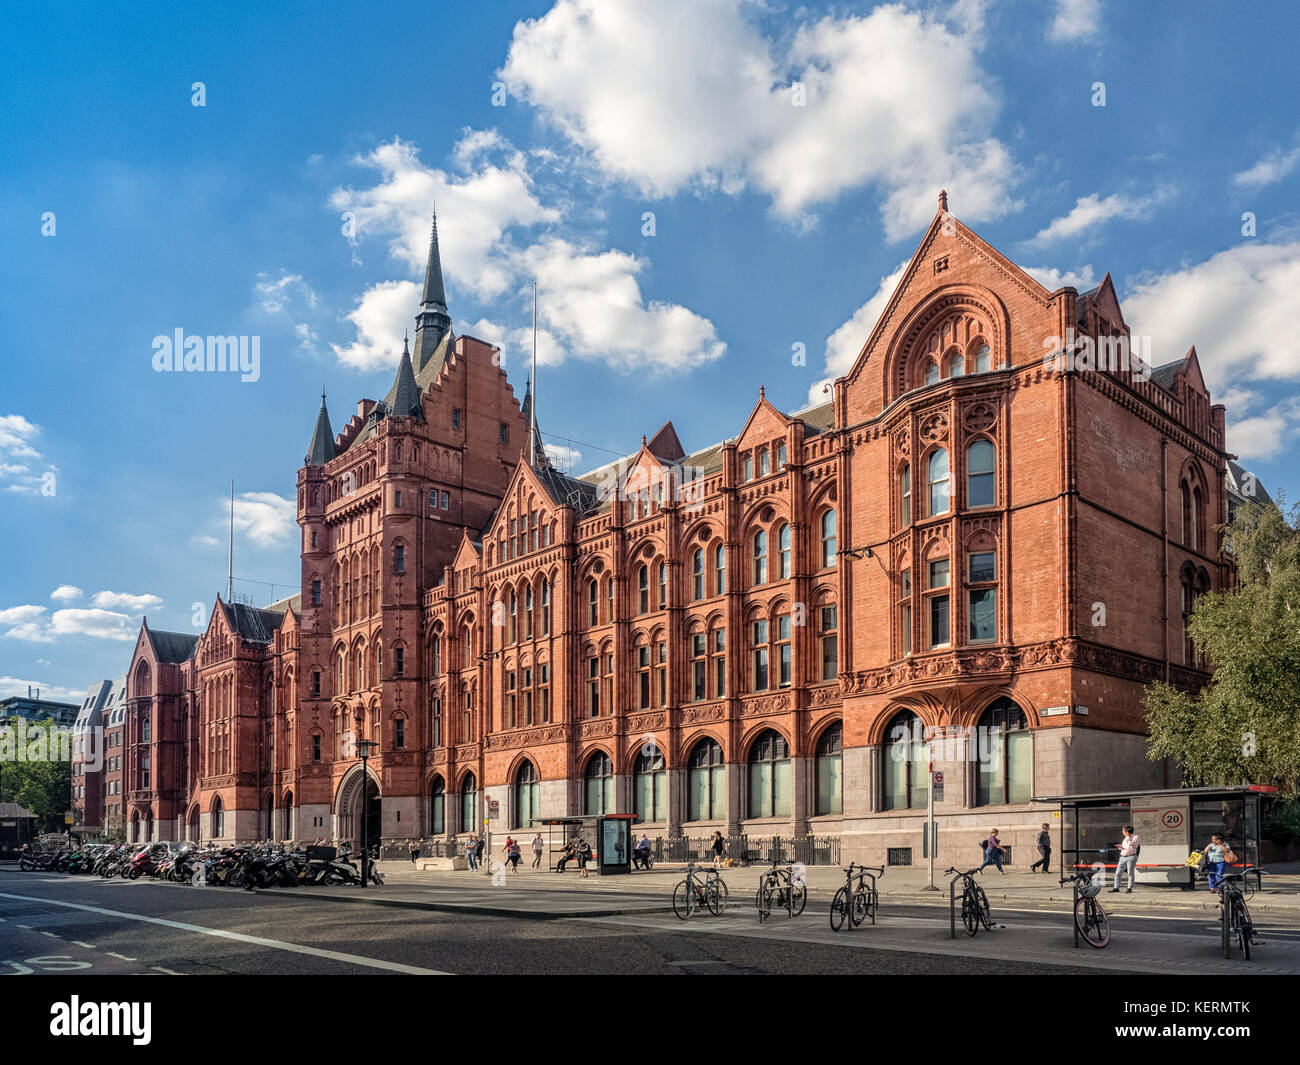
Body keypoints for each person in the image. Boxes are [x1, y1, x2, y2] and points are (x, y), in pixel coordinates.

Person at [1110, 825, 1140, 893]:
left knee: (1130, 873)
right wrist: (1121, 847)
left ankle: (1129, 888)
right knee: (1118, 872)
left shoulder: (1135, 837)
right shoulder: (1125, 838)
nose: (1122, 832)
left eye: (1123, 831)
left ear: (1127, 831)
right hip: (1123, 857)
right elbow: (1126, 847)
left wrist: (1129, 837)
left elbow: (1131, 844)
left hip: (1131, 856)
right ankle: (1116, 887)